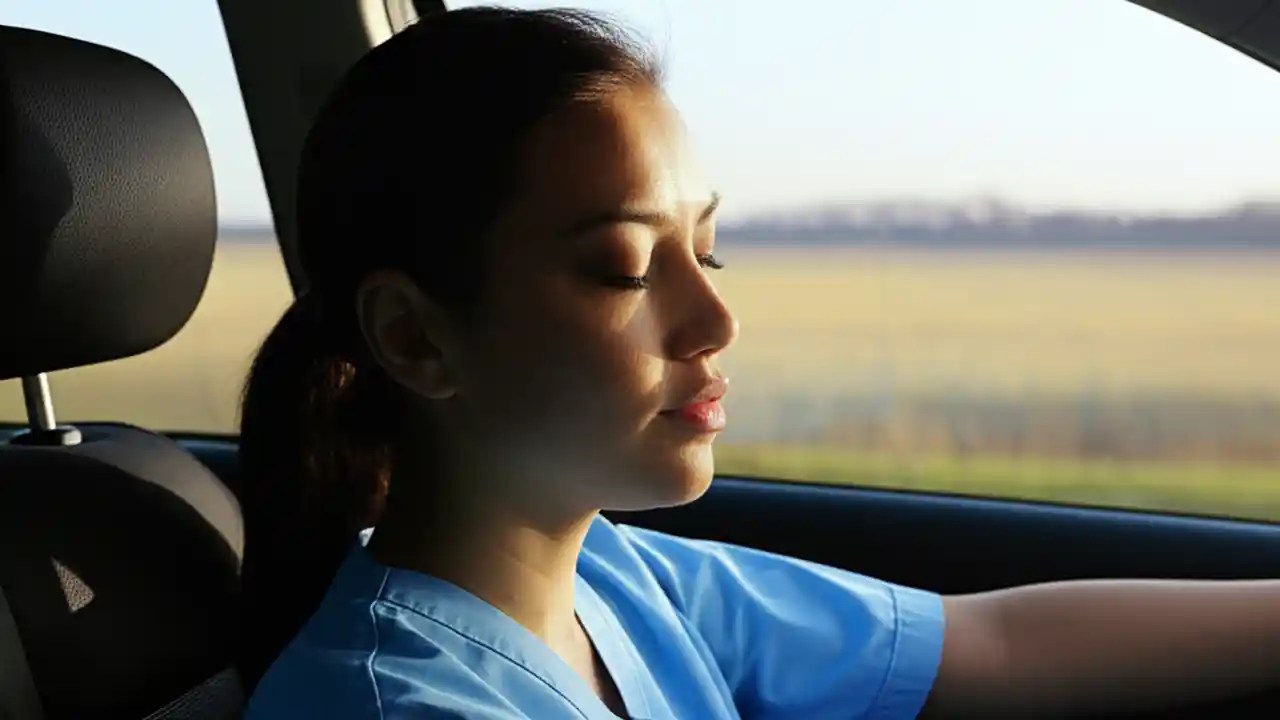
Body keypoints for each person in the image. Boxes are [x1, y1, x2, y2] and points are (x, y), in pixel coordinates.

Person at [238, 7, 1280, 719]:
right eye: (623, 269)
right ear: (417, 339)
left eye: (707, 248)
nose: (715, 318)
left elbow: (994, 648)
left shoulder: (613, 580)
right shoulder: (392, 701)